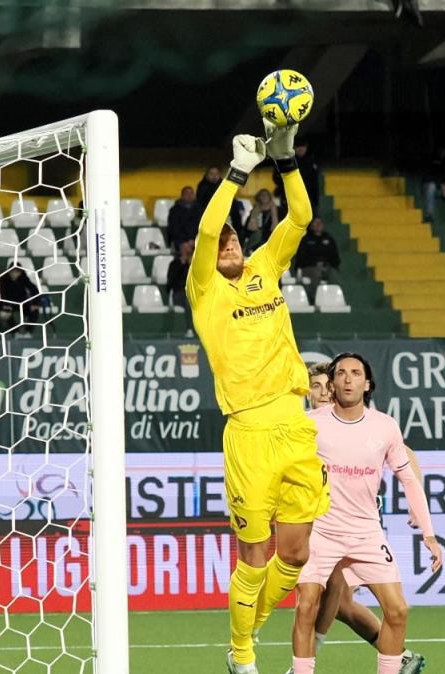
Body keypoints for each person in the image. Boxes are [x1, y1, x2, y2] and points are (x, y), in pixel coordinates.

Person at [185, 125, 327, 674]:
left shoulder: (266, 269)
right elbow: (203, 231)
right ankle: (242, 655)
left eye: (235, 240)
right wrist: (237, 172)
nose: (231, 245)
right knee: (254, 554)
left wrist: (286, 160)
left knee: (294, 556)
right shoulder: (205, 292)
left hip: (295, 425)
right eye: (224, 243)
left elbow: (297, 218)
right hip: (248, 433)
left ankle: (245, 628)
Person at [289, 353, 442, 674]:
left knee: (397, 609)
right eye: (340, 373)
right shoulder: (310, 424)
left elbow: (407, 470)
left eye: (355, 373)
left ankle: (394, 663)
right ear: (332, 385)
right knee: (309, 606)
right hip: (322, 532)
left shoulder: (384, 426)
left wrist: (428, 531)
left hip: (366, 533)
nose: (347, 379)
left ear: (367, 383)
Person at [295, 218, 341, 303]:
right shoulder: (305, 240)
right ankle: (314, 298)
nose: (318, 225)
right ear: (311, 226)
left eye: (320, 223)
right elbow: (301, 258)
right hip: (309, 267)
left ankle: (333, 299)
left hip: (326, 267)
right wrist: (315, 264)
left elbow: (335, 257)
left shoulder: (329, 239)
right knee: (316, 273)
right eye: (315, 223)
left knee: (333, 274)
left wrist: (327, 265)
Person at [0, 265, 41, 332]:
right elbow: (0, 294)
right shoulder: (4, 281)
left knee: (34, 312)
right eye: (12, 272)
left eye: (16, 272)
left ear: (20, 273)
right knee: (5, 313)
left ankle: (28, 331)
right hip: (9, 304)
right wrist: (5, 304)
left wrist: (35, 304)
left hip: (23, 304)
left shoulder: (24, 279)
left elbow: (35, 291)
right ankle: (15, 332)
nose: (14, 274)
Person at [166, 240, 194, 337]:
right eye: (187, 246)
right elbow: (170, 283)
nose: (189, 248)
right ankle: (190, 329)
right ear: (182, 248)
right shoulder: (174, 264)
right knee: (188, 299)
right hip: (179, 294)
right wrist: (182, 265)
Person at [167, 186, 198, 252]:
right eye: (187, 194)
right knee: (185, 248)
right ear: (182, 196)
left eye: (191, 194)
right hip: (180, 240)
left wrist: (194, 239)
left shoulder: (200, 210)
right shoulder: (174, 210)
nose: (189, 196)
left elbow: (201, 227)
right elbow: (174, 229)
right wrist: (186, 241)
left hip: (197, 240)